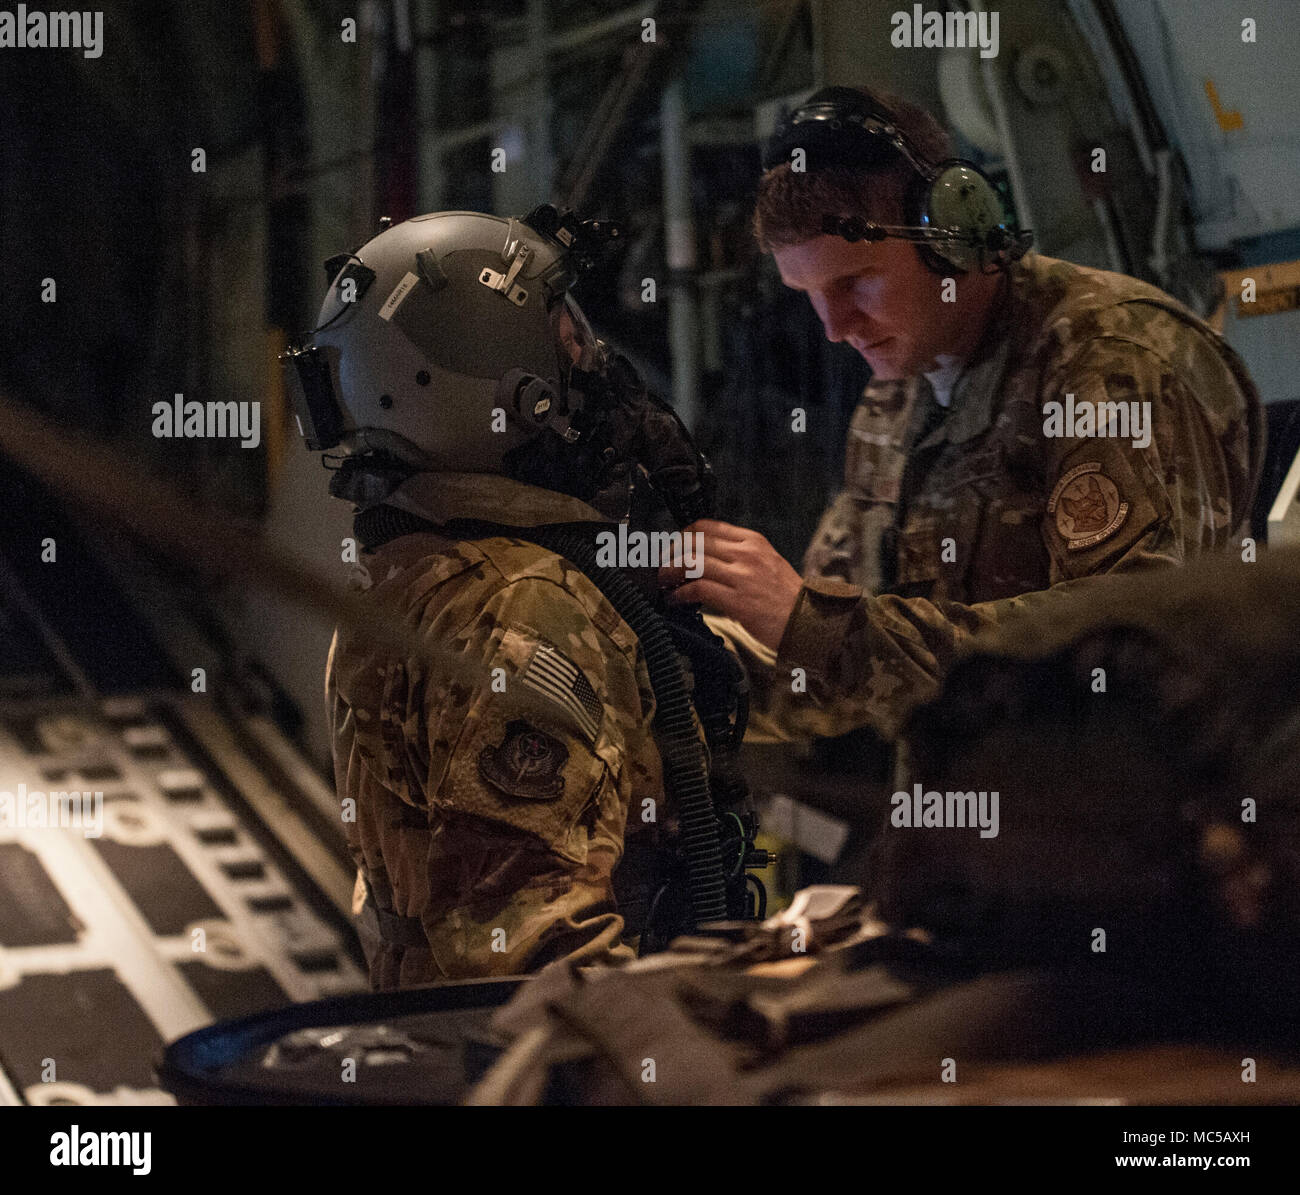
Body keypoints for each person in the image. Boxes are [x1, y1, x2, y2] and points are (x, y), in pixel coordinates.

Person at [663, 85, 1265, 744]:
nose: (834, 327)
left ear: (952, 232)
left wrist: (814, 624)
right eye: (807, 294)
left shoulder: (1111, 360)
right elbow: (846, 679)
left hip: (1114, 824)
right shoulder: (893, 398)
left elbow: (1122, 646)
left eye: (855, 281)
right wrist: (662, 657)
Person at [285, 207, 753, 988]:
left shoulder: (424, 570)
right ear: (489, 381)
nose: (595, 365)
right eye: (569, 341)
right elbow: (545, 967)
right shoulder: (525, 606)